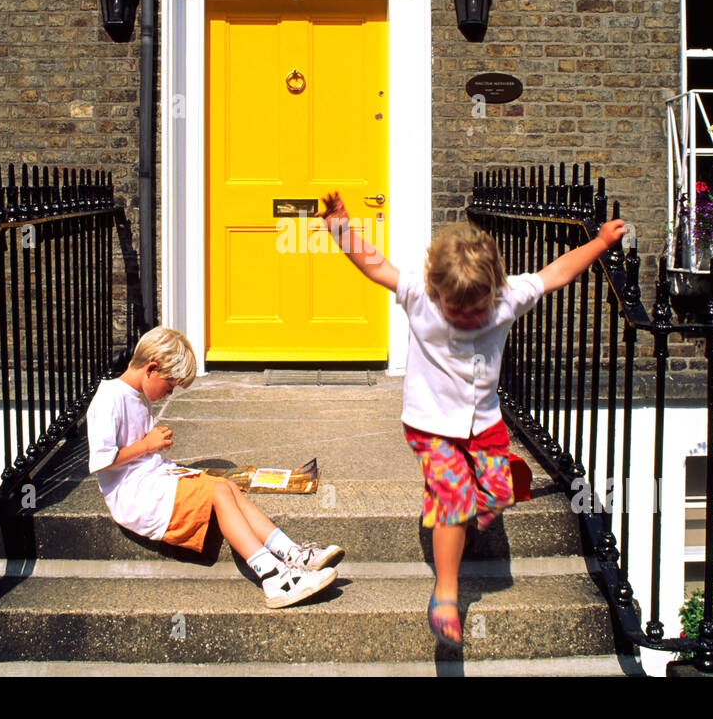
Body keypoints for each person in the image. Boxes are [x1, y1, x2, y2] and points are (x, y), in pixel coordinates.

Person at [315, 191, 624, 645]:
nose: (464, 317)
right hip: (429, 425)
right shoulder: (418, 296)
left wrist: (598, 243)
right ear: (435, 289)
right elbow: (373, 264)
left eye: (474, 309)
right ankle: (446, 594)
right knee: (454, 501)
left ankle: (482, 501)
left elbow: (556, 274)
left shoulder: (508, 298)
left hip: (484, 422)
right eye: (454, 309)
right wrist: (341, 226)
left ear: (494, 291)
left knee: (497, 494)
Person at [87, 326, 344, 608]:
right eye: (169, 386)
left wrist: (154, 450)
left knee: (228, 487)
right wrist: (147, 445)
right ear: (151, 369)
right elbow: (102, 462)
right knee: (220, 492)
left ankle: (291, 553)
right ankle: (272, 577)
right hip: (134, 496)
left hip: (153, 481)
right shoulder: (108, 398)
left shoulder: (138, 395)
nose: (168, 394)